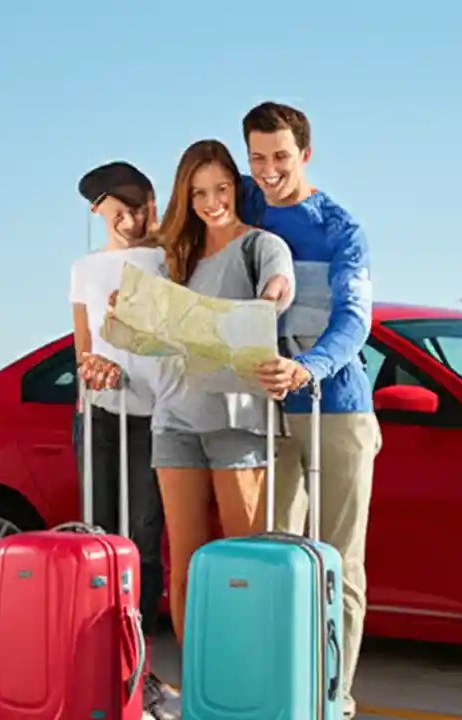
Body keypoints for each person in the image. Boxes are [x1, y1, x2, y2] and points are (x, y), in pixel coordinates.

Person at [110, 138, 295, 665]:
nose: (212, 202)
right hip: (174, 418)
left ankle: (250, 679)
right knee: (185, 564)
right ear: (185, 198)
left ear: (236, 187)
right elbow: (152, 332)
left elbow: (279, 288)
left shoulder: (260, 245)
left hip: (238, 419)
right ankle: (202, 685)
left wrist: (272, 296)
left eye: (221, 189)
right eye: (199, 194)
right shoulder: (176, 259)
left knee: (245, 561)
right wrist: (126, 316)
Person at [239, 101, 381, 720]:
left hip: (336, 409)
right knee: (271, 556)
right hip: (262, 411)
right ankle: (277, 690)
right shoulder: (242, 204)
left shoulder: (341, 229)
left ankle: (333, 698)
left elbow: (356, 321)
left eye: (281, 157)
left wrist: (308, 367)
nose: (269, 171)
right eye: (258, 158)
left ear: (306, 154)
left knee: (337, 561)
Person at [68, 161, 179, 718]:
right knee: (100, 540)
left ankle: (142, 665)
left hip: (155, 418)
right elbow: (83, 349)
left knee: (143, 541)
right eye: (121, 211)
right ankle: (100, 666)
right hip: (102, 418)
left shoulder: (168, 260)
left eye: (141, 208)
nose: (133, 221)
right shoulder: (85, 269)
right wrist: (93, 369)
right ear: (98, 211)